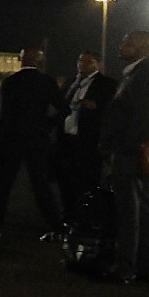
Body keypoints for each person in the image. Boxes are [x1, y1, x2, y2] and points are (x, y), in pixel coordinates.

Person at [0, 46, 65, 241]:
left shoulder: (11, 82)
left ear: (21, 59)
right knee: (41, 186)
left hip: (11, 140)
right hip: (37, 140)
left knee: (2, 186)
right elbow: (62, 109)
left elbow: (4, 114)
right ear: (39, 61)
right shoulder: (47, 82)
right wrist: (46, 125)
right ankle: (56, 227)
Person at [98, 30, 149, 283]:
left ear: (143, 47)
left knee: (130, 212)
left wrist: (124, 148)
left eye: (128, 42)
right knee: (143, 210)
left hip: (130, 153)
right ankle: (145, 267)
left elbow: (143, 117)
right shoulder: (136, 74)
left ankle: (125, 267)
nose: (122, 45)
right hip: (133, 151)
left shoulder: (143, 76)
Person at [55, 50, 117, 211]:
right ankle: (68, 214)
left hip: (88, 141)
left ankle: (86, 216)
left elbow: (114, 109)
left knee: (86, 181)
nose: (81, 64)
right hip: (67, 139)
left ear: (97, 64)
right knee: (65, 179)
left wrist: (96, 106)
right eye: (80, 60)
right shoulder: (71, 82)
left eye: (86, 61)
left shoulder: (107, 84)